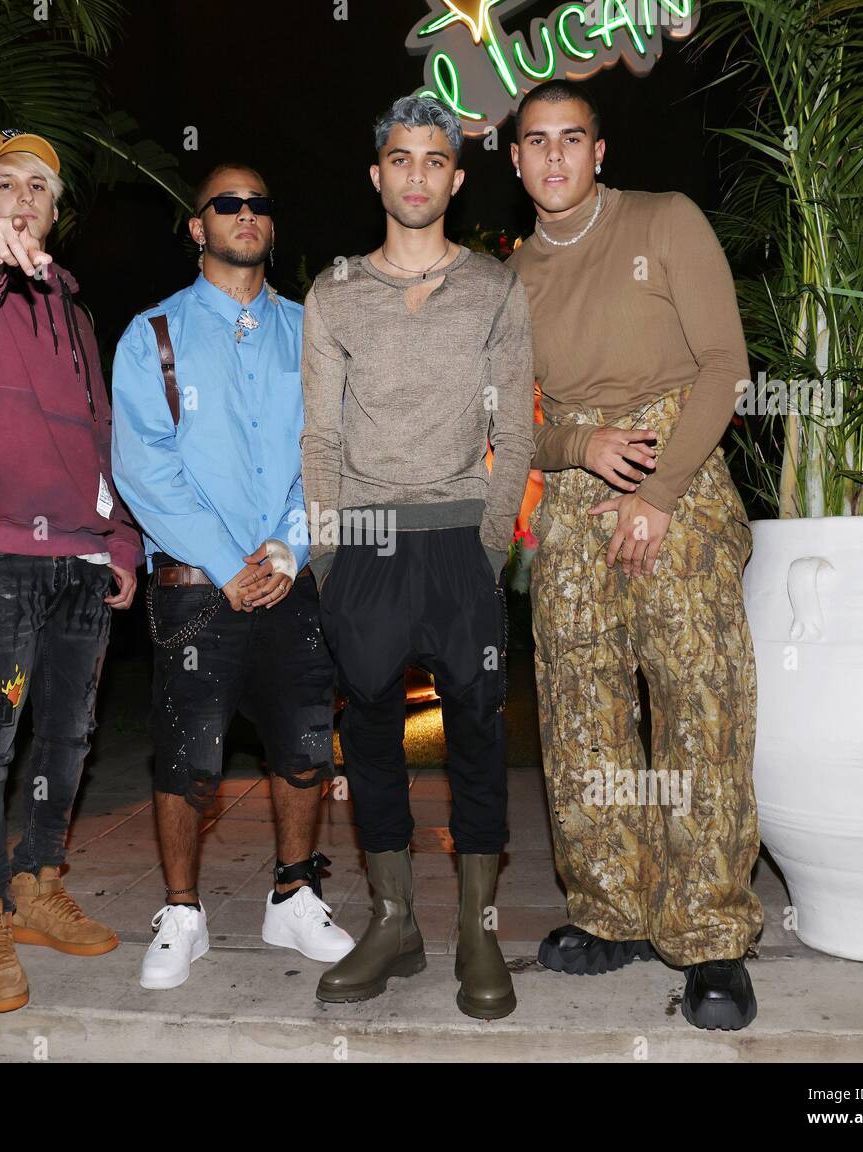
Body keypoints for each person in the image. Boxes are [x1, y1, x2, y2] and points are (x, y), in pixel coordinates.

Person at [507, 80, 763, 1030]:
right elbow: (500, 425)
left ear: (599, 151)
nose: (557, 157)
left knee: (701, 701)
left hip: (677, 467)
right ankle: (612, 907)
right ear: (517, 160)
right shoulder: (513, 279)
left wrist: (655, 495)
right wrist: (579, 449)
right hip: (576, 489)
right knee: (579, 711)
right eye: (537, 142)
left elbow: (724, 368)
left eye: (573, 138)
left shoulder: (666, 221)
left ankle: (710, 937)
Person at [301, 96, 534, 1020]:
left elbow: (512, 435)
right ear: (377, 174)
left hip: (458, 538)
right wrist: (328, 559)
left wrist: (485, 551)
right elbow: (320, 440)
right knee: (371, 733)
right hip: (362, 539)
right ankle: (394, 922)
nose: (416, 175)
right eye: (400, 158)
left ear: (456, 177)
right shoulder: (334, 292)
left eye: (435, 160)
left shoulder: (495, 290)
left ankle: (477, 929)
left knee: (478, 732)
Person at [112, 163, 354, 991]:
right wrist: (228, 564)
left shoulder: (307, 331)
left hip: (290, 577)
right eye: (228, 204)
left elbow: (323, 455)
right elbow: (144, 467)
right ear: (197, 226)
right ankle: (183, 910)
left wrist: (284, 553)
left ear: (272, 227)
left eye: (261, 203)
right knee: (186, 757)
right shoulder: (154, 335)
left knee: (303, 744)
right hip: (192, 583)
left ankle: (293, 895)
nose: (246, 214)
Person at [0, 130, 143, 1013]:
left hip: (79, 566)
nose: (21, 200)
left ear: (58, 211)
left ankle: (36, 883)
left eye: (38, 189)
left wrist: (119, 540)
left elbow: (102, 441)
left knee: (66, 737)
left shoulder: (80, 316)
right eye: (3, 186)